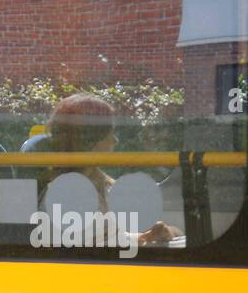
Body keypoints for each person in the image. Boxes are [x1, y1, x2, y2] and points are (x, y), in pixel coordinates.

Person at [34, 92, 181, 246]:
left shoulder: (100, 184)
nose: (115, 140)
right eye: (109, 132)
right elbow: (93, 252)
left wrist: (146, 236)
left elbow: (109, 237)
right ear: (90, 139)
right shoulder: (65, 195)